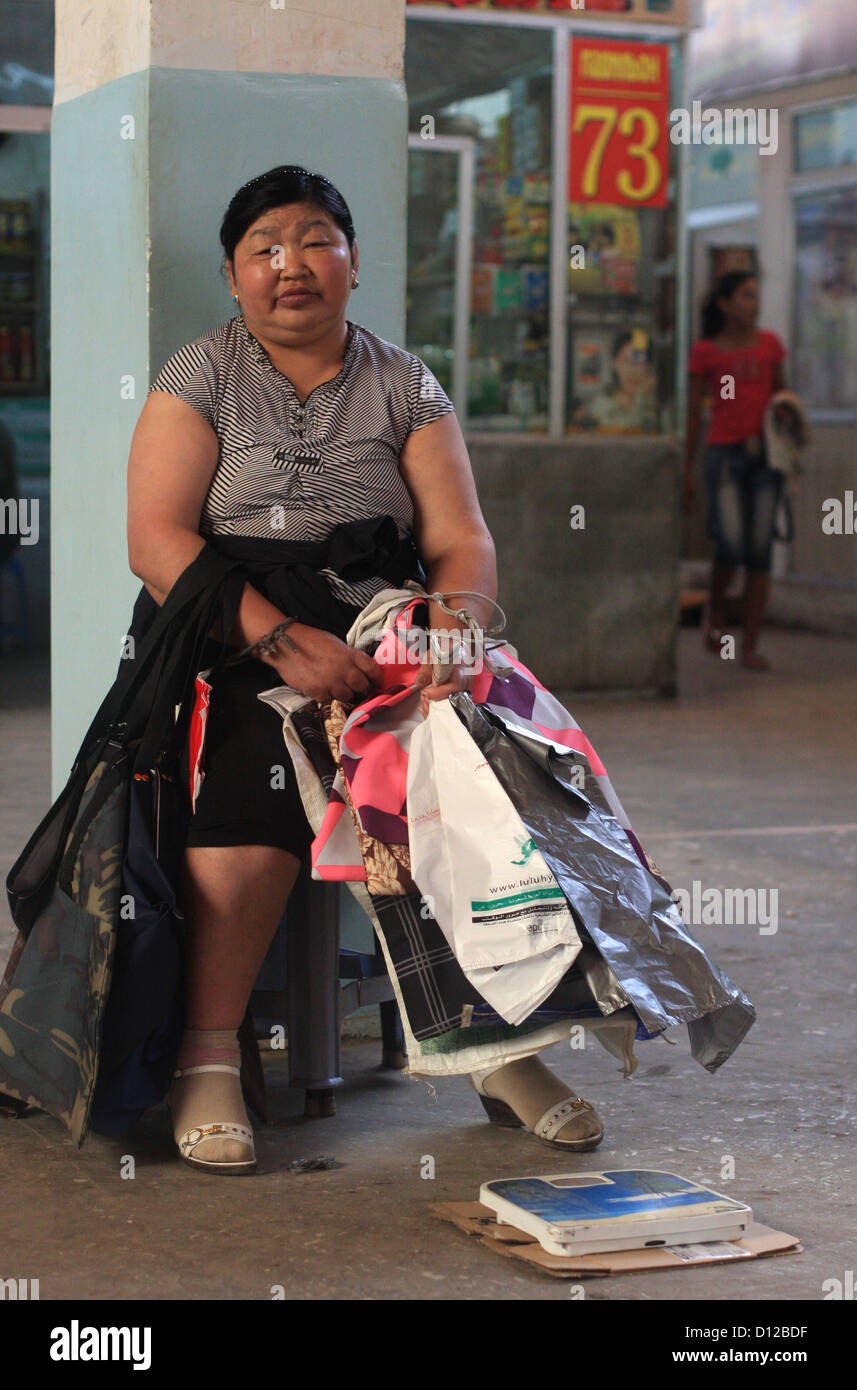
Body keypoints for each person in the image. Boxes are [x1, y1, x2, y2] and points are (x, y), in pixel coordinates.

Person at [127, 165, 603, 1175]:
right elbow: (157, 540)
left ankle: (496, 1038)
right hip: (231, 631)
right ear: (231, 274)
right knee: (261, 753)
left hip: (383, 627)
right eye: (263, 246)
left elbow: (460, 540)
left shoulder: (404, 381)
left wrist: (450, 633)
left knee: (475, 750)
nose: (288, 263)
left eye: (312, 239)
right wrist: (278, 640)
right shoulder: (199, 373)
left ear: (351, 261)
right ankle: (209, 1054)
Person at [684, 271, 787, 671]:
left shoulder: (770, 346)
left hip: (765, 457)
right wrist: (688, 472)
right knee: (730, 545)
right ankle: (716, 614)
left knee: (759, 552)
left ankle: (749, 645)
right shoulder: (706, 352)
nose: (754, 303)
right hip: (723, 456)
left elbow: (783, 396)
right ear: (725, 304)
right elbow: (694, 414)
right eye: (745, 296)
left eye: (756, 296)